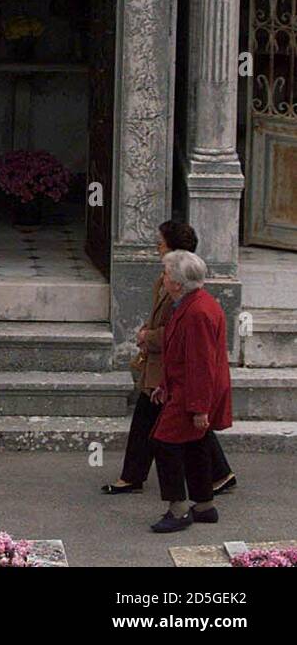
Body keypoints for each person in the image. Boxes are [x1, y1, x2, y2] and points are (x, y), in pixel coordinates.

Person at [102, 222, 235, 496]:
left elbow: (189, 346)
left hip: (168, 370)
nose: (157, 247)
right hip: (165, 372)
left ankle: (163, 491)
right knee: (176, 424)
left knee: (158, 428)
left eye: (161, 242)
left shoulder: (192, 303)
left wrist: (147, 337)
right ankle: (216, 477)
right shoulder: (174, 286)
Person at [149, 250, 234, 533]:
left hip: (192, 393)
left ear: (176, 283)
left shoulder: (196, 311)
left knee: (165, 443)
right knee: (196, 445)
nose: (162, 277)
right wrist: (164, 384)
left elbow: (200, 364)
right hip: (187, 389)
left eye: (165, 273)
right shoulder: (194, 303)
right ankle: (204, 505)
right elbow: (181, 354)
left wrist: (200, 409)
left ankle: (179, 509)